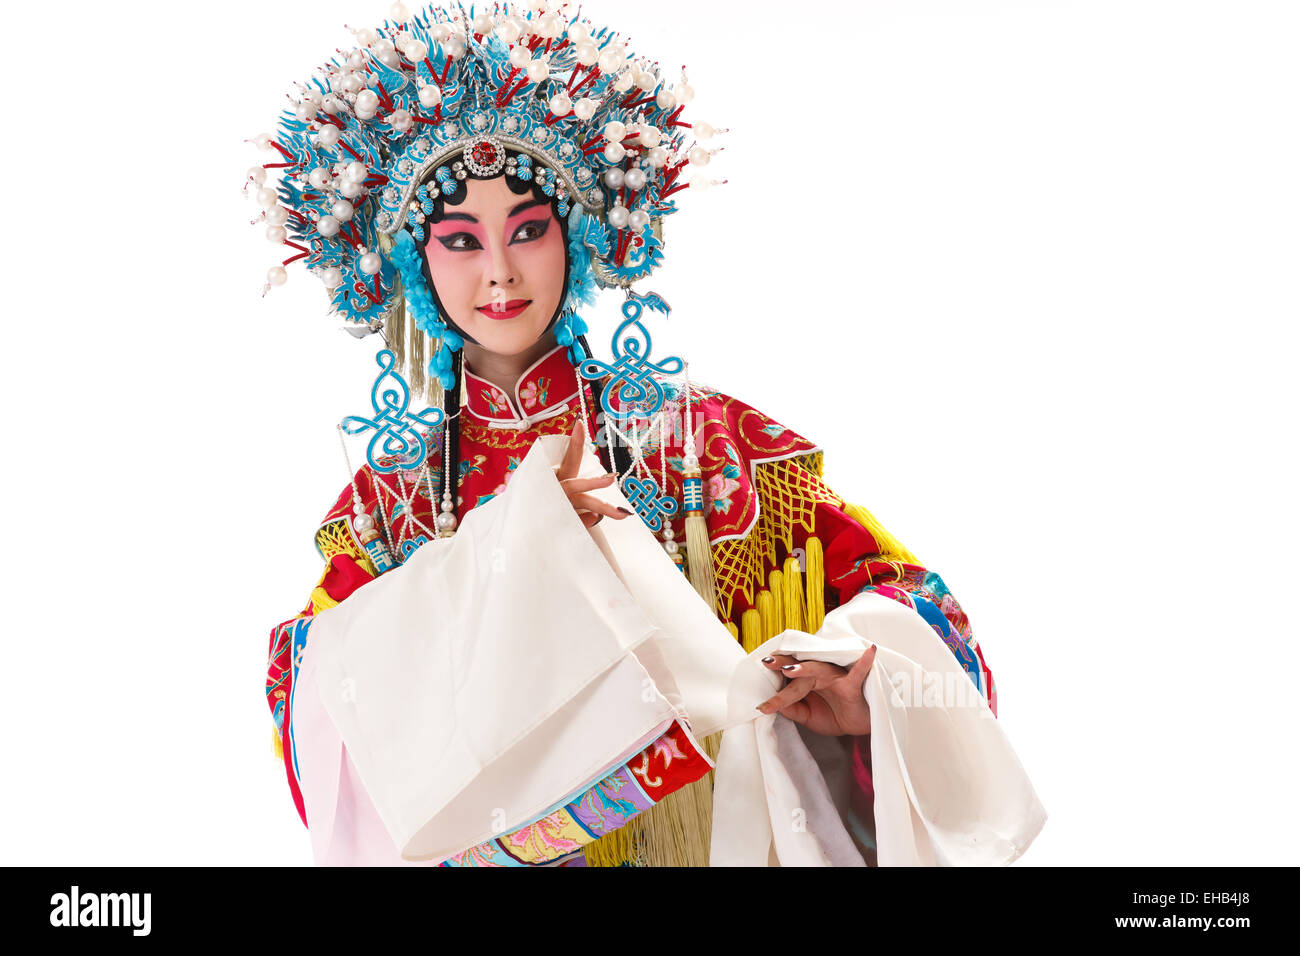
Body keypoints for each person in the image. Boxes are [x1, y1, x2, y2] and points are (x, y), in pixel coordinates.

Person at [252, 0, 1042, 867]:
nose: (501, 271)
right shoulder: (390, 506)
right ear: (411, 258)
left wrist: (870, 693)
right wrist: (499, 550)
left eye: (527, 229)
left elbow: (913, 604)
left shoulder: (703, 442)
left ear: (580, 234)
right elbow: (316, 712)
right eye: (459, 240)